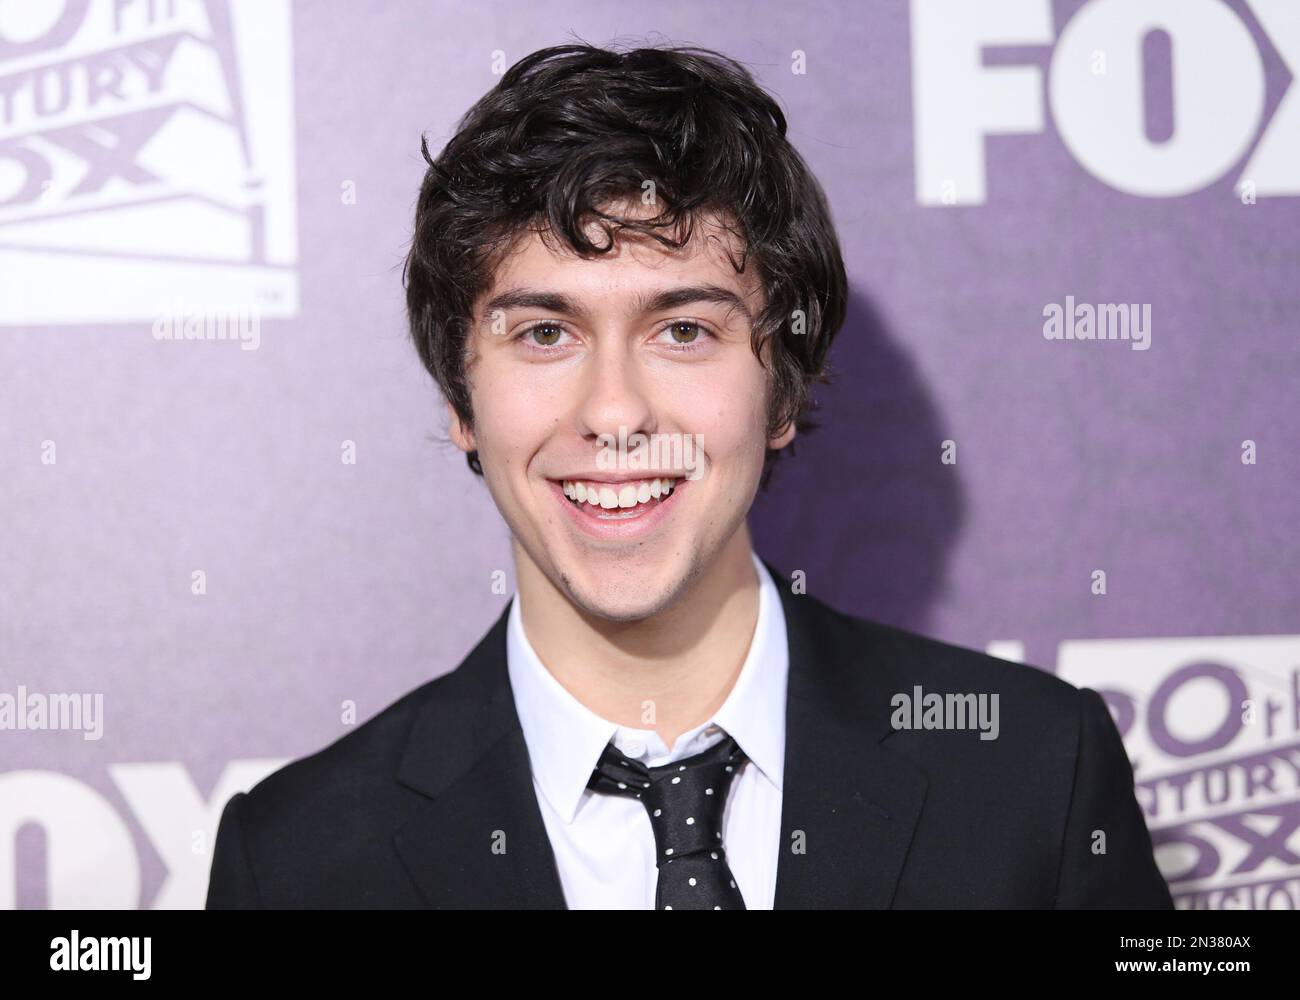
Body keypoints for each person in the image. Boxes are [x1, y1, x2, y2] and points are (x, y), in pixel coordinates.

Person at [206, 43, 1172, 910]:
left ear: (781, 393)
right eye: (545, 333)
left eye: (684, 330)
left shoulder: (1034, 773)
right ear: (461, 403)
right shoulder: (298, 861)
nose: (615, 412)